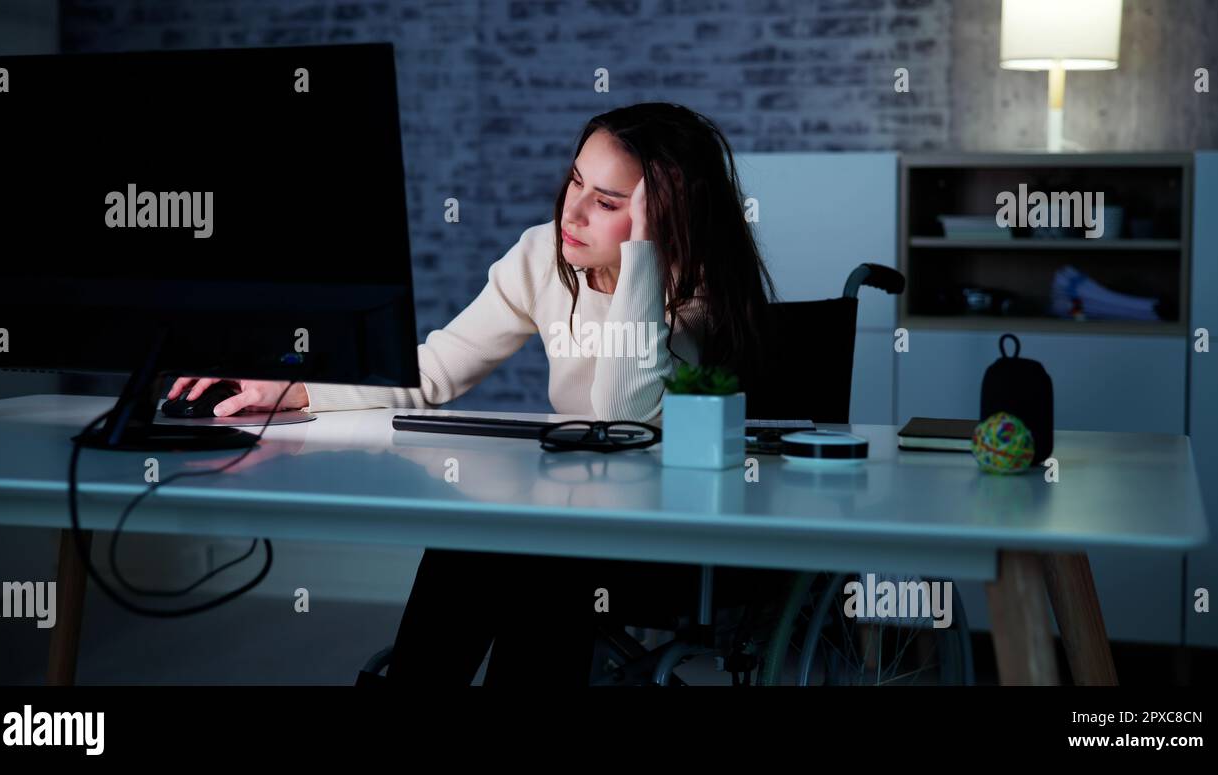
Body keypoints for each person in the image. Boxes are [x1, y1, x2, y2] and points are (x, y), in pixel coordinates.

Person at [168, 102, 787, 685]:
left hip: (668, 536)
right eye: (575, 182)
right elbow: (435, 369)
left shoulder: (692, 291)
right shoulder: (544, 256)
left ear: (664, 214)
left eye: (605, 202)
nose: (571, 214)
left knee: (539, 552)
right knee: (478, 529)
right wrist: (294, 388)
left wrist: (640, 258)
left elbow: (619, 421)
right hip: (572, 521)